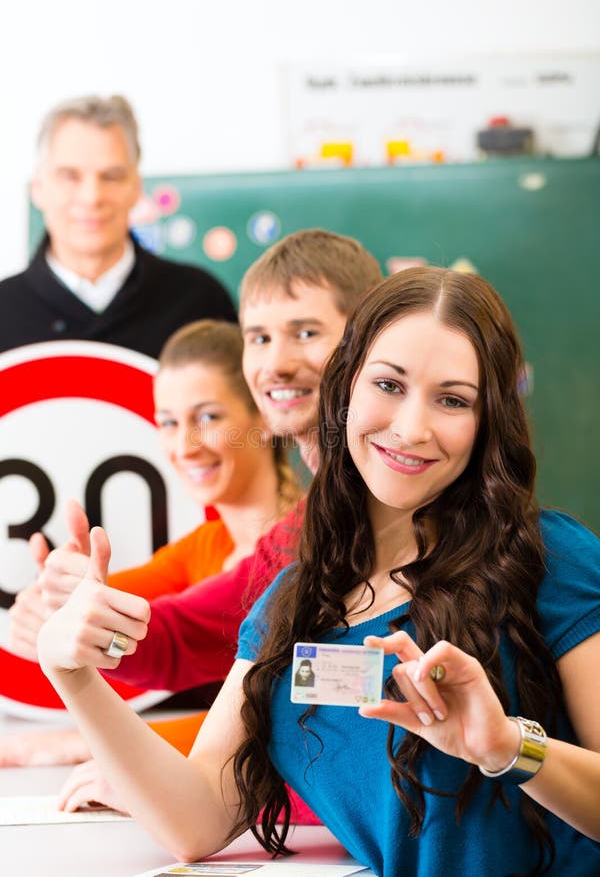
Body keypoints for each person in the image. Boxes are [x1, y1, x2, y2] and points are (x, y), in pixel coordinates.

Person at [36, 267, 600, 876]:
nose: (412, 427)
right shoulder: (293, 599)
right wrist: (72, 674)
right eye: (389, 384)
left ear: (488, 422)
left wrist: (509, 748)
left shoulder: (549, 558)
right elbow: (195, 818)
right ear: (345, 389)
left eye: (453, 399)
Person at [3, 318, 300, 764]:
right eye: (168, 422)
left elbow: (274, 717)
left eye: (207, 417)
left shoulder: (305, 542)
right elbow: (130, 605)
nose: (185, 445)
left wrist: (86, 744)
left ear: (263, 416)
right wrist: (59, 597)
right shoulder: (207, 545)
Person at [0, 94, 236, 358]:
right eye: (70, 177)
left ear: (136, 188)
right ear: (38, 188)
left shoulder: (199, 301)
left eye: (111, 177)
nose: (92, 197)